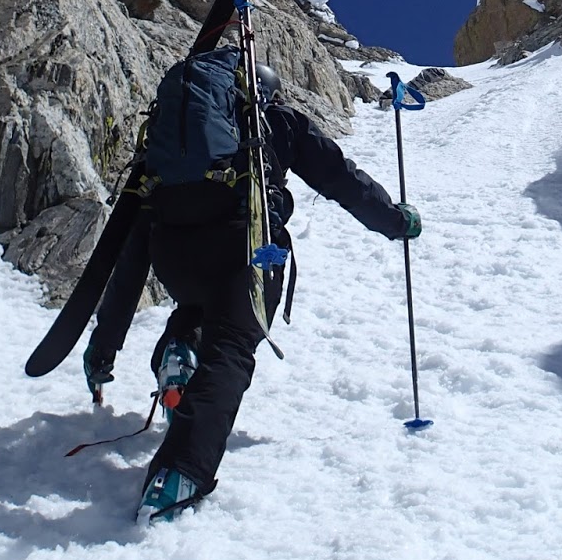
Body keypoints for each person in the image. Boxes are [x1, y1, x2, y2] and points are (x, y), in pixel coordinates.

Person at [80, 59, 421, 523]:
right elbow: (340, 178)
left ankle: (181, 345)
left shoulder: (170, 144)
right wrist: (396, 220)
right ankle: (181, 472)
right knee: (233, 343)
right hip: (247, 248)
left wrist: (104, 346)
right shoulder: (277, 122)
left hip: (173, 255)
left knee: (197, 306)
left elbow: (132, 253)